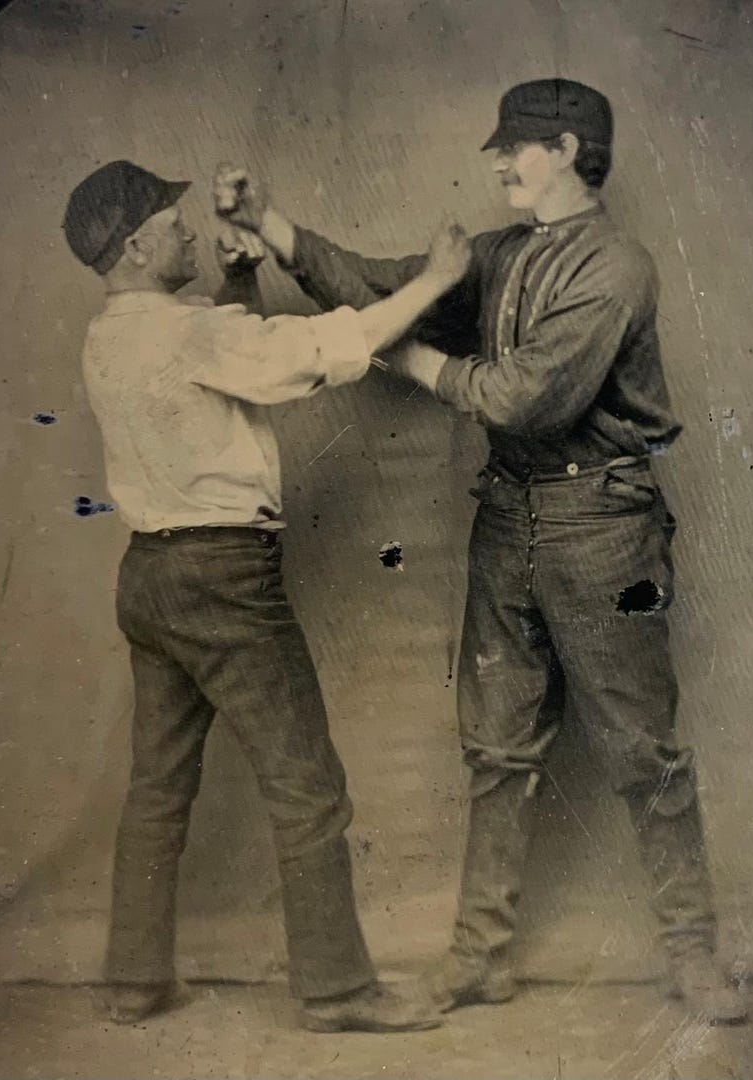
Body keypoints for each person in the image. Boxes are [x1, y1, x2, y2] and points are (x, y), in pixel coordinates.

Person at [216, 77, 748, 1025]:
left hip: (606, 528)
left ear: (574, 151)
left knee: (644, 751)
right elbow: (384, 287)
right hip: (508, 521)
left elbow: (517, 400)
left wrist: (405, 360)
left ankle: (694, 955)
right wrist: (274, 225)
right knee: (499, 750)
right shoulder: (505, 253)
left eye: (519, 147)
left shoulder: (617, 267)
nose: (500, 160)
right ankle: (480, 957)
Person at [61, 159, 470, 1032]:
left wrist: (243, 276)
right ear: (137, 247)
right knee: (307, 786)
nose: (185, 230)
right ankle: (339, 992)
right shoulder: (185, 335)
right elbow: (313, 356)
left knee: (158, 786)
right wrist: (435, 280)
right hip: (224, 579)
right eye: (171, 222)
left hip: (148, 578)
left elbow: (207, 358)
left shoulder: (110, 333)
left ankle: (135, 983)